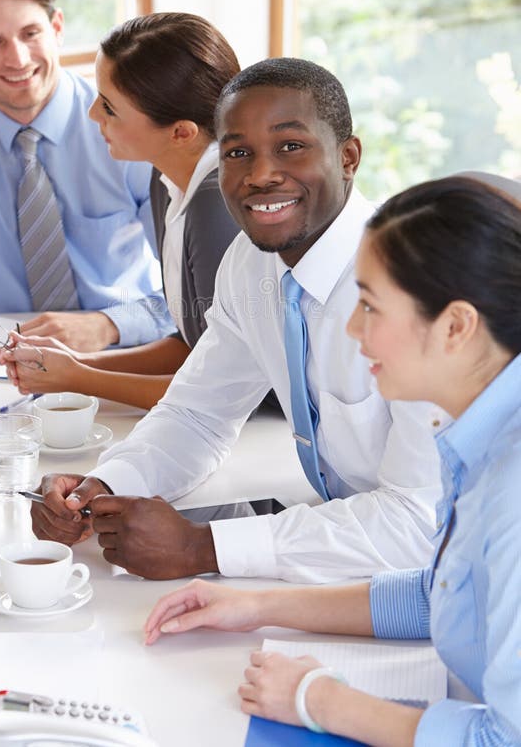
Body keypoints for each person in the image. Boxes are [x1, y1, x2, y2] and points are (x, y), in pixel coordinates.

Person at [31, 57, 444, 584]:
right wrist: (106, 486)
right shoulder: (252, 266)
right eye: (238, 153)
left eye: (291, 146)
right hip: (349, 554)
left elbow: (420, 523)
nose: (261, 174)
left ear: (348, 157)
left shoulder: (417, 288)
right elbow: (197, 415)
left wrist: (205, 547)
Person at [143, 176, 521, 746]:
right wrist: (254, 606)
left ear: (456, 326)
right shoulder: (475, 433)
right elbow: (444, 593)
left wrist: (316, 697)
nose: (351, 328)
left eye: (370, 306)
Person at [0, 0, 172, 351]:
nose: (17, 58)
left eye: (30, 33)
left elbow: (201, 296)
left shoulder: (129, 125)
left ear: (56, 28)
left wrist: (110, 324)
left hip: (121, 353)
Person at [0, 12, 241, 410]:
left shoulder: (217, 206)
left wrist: (78, 378)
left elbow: (220, 390)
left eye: (109, 107)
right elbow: (195, 346)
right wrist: (76, 363)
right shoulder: (167, 182)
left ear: (181, 132)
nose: (93, 114)